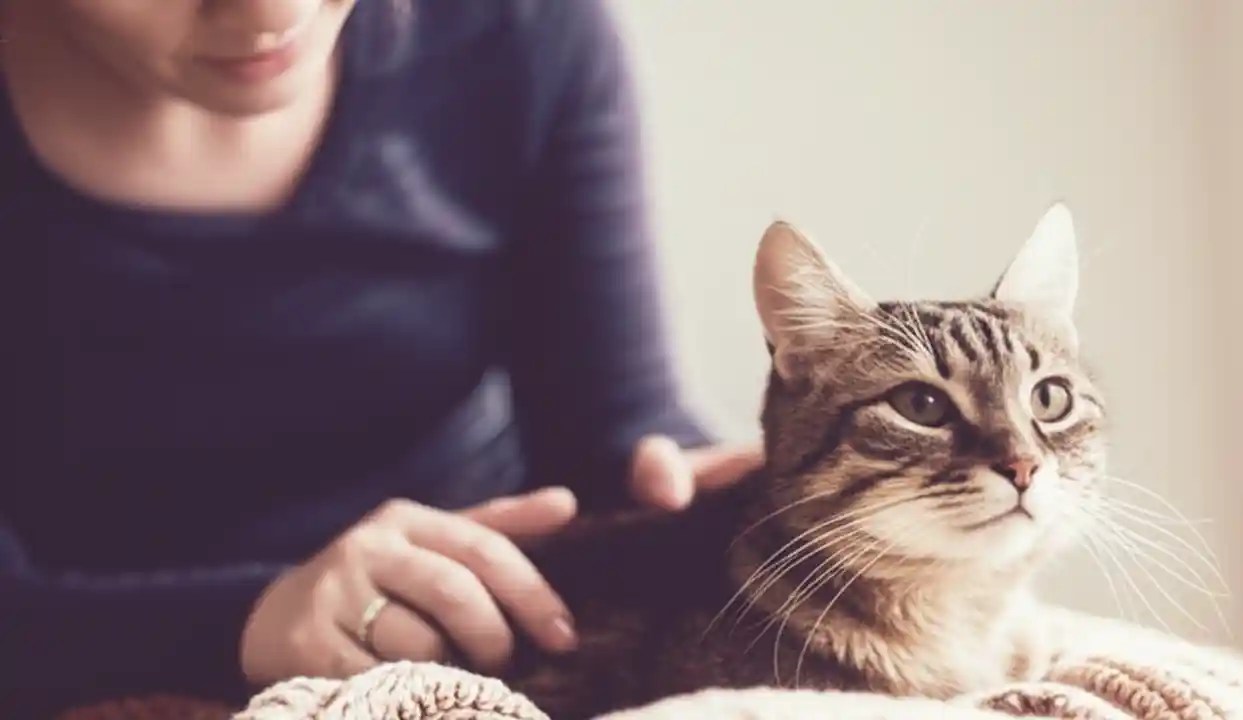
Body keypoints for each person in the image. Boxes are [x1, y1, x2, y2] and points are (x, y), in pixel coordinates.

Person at [0, 0, 761, 715]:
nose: (271, 12)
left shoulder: (517, 29)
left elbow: (613, 429)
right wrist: (254, 619)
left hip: (482, 635)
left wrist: (696, 491)